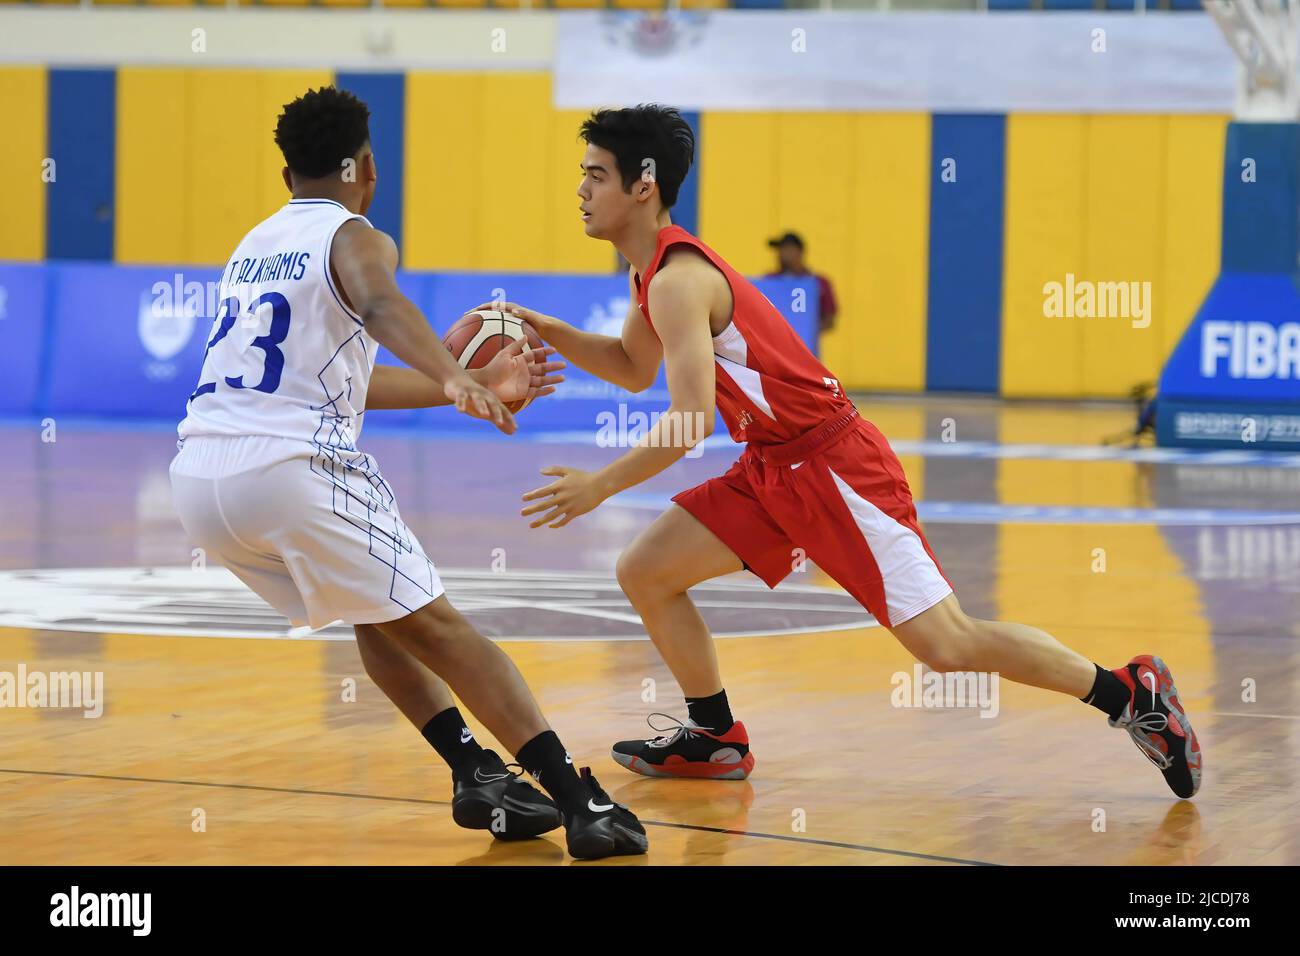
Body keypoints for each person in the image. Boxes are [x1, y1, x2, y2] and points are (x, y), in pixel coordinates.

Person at [480, 104, 1202, 799]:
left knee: (947, 645)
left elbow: (691, 417)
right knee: (647, 570)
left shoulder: (677, 281)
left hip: (832, 467)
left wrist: (599, 486)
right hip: (773, 467)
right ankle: (715, 735)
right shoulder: (651, 275)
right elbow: (634, 367)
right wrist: (547, 327)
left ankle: (1129, 692)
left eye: (595, 175)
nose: (579, 189)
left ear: (643, 185)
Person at [168, 87, 647, 859]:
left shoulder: (251, 247)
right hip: (294, 470)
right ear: (366, 167)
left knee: (377, 610)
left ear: (286, 175)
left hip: (201, 480)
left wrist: (469, 383)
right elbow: (384, 303)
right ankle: (579, 800)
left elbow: (345, 384)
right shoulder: (356, 235)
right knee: (445, 630)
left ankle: (476, 774)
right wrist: (453, 376)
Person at [766, 231, 838, 335]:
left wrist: (804, 329)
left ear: (799, 251)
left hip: (806, 346)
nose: (781, 254)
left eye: (785, 248)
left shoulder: (819, 283)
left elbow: (830, 320)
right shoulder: (769, 280)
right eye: (780, 250)